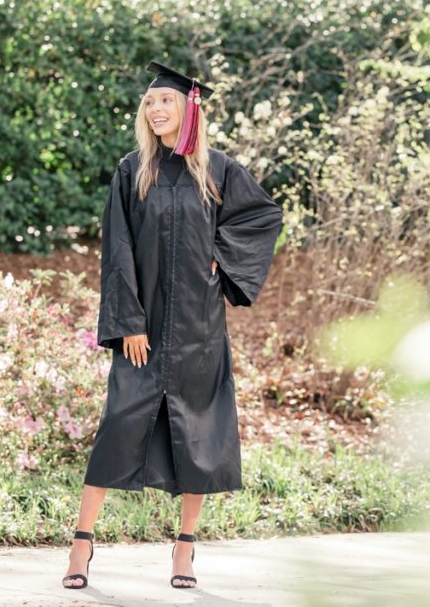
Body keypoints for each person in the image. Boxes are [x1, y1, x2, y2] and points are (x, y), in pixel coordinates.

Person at [61, 60, 283, 590]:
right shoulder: (132, 170)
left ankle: (184, 551)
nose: (155, 109)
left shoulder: (219, 171)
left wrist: (222, 259)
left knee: (198, 436)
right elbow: (116, 251)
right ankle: (81, 544)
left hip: (199, 328)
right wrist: (128, 323)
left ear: (188, 110)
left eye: (165, 102)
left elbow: (261, 218)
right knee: (118, 425)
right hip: (144, 327)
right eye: (150, 103)